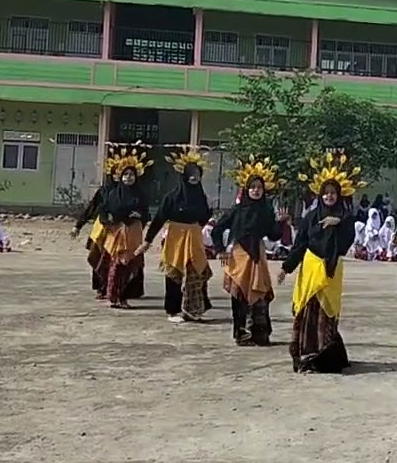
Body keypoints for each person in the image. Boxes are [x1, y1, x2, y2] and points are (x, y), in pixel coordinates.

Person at [279, 151, 364, 373]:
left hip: (331, 270)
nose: (329, 197)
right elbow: (300, 245)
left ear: (339, 195)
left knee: (327, 314)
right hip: (310, 268)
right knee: (308, 312)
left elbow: (348, 239)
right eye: (325, 193)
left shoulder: (345, 218)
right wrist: (286, 267)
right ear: (320, 195)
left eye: (333, 193)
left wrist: (339, 222)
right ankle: (307, 356)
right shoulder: (310, 217)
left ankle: (326, 358)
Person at [213, 155, 288, 346]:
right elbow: (217, 228)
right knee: (240, 296)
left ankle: (260, 333)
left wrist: (281, 223)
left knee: (260, 295)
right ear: (247, 189)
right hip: (239, 256)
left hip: (258, 256)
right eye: (253, 187)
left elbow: (273, 236)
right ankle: (242, 334)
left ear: (264, 191)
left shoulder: (266, 210)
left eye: (259, 188)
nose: (256, 190)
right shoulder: (237, 210)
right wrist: (220, 250)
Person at [138, 146, 214, 323]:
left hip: (194, 237)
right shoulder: (172, 197)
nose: (195, 177)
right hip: (176, 237)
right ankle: (172, 311)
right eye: (191, 174)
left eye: (198, 174)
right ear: (185, 175)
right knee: (174, 272)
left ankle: (193, 309)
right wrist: (148, 240)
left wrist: (209, 210)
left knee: (197, 272)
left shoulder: (201, 197)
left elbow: (202, 219)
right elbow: (159, 219)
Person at [94, 145, 152, 309]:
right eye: (125, 174)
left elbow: (146, 213)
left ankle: (124, 296)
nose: (128, 178)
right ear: (120, 177)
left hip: (133, 233)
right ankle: (114, 297)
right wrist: (109, 221)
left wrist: (138, 216)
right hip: (117, 234)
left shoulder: (140, 194)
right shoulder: (113, 194)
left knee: (131, 267)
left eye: (131, 174)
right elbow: (103, 212)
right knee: (117, 266)